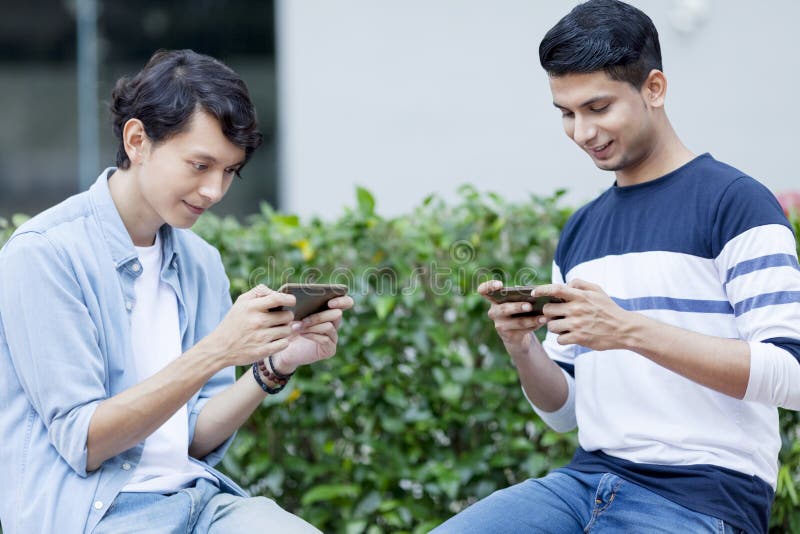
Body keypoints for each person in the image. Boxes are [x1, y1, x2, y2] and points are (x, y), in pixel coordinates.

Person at [434, 1, 800, 533]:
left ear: (654, 88)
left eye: (598, 107)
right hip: (584, 483)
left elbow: (790, 374)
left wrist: (627, 329)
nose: (582, 132)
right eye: (566, 112)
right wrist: (522, 347)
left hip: (703, 496)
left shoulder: (737, 202)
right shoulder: (582, 229)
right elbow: (565, 411)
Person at [0, 49, 353, 533]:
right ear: (137, 139)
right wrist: (216, 351)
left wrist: (275, 364)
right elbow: (85, 441)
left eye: (229, 170)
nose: (214, 191)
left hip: (196, 502)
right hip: (96, 516)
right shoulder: (44, 255)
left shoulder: (199, 261)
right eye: (200, 165)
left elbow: (191, 437)